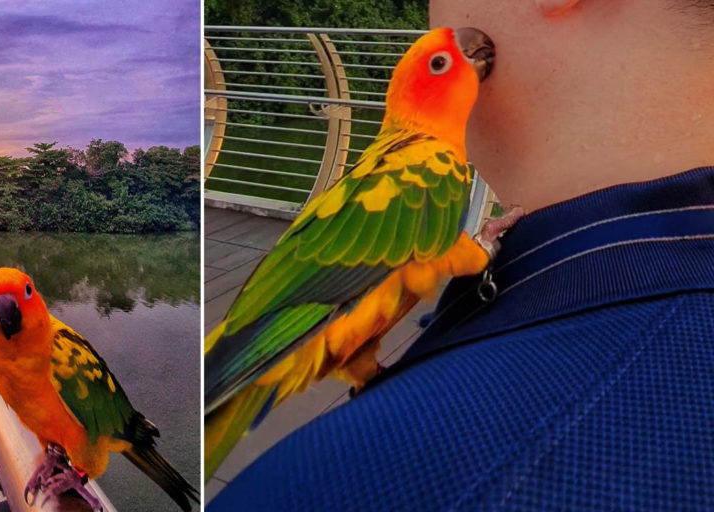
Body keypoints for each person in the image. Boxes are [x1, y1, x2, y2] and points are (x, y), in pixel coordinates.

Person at [210, 1, 714, 510]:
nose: (460, 36)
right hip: (304, 323)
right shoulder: (422, 166)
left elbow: (438, 260)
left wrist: (478, 250)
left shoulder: (301, 488)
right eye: (442, 63)